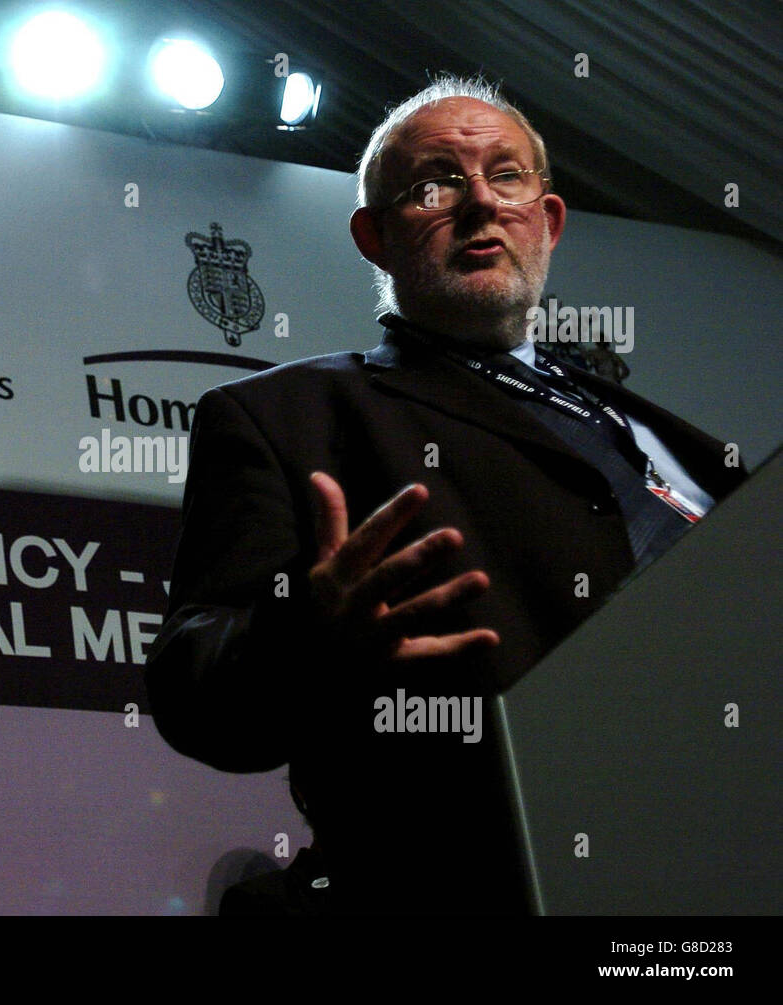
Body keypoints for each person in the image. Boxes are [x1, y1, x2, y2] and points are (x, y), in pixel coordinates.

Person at [145, 75, 746, 915]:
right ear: (375, 236)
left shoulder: (687, 443)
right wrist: (307, 640)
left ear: (549, 219)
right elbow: (192, 691)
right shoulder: (287, 416)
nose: (479, 205)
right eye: (433, 183)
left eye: (507, 176)